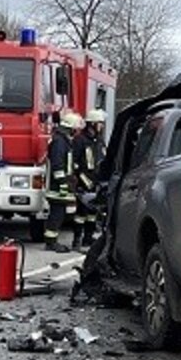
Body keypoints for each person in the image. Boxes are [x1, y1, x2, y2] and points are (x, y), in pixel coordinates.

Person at [43, 110, 81, 253]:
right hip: (57, 185)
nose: (77, 131)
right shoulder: (59, 141)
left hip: (61, 183)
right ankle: (51, 243)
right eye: (75, 128)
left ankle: (52, 241)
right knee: (57, 214)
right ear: (70, 128)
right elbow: (58, 164)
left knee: (59, 213)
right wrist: (63, 183)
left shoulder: (63, 140)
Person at [73, 108, 107, 249]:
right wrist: (83, 181)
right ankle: (76, 240)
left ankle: (88, 238)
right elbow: (74, 164)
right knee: (81, 214)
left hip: (97, 181)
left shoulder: (99, 140)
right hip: (84, 182)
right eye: (100, 123)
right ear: (92, 124)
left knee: (92, 214)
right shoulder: (80, 140)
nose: (102, 126)